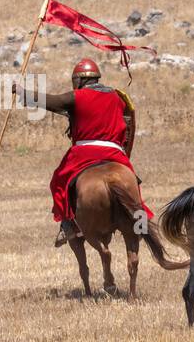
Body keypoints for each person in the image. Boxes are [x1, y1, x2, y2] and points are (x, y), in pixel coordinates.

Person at [16, 58, 151, 246]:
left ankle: (68, 226)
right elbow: (127, 125)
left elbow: (53, 102)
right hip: (115, 152)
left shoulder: (77, 96)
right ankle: (141, 221)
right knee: (133, 183)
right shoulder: (118, 97)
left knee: (58, 181)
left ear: (78, 81)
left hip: (85, 151)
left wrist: (24, 93)